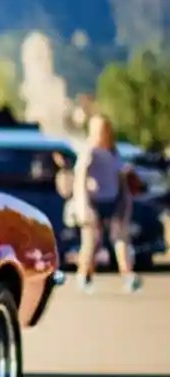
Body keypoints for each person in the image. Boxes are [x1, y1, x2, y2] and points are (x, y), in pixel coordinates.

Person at [72, 114, 141, 293]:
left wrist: (126, 201)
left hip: (113, 200)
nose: (103, 134)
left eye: (105, 130)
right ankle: (84, 275)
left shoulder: (113, 152)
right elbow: (80, 177)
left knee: (121, 239)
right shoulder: (89, 151)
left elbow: (120, 177)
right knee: (91, 241)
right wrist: (82, 204)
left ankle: (128, 275)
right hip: (93, 202)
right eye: (99, 130)